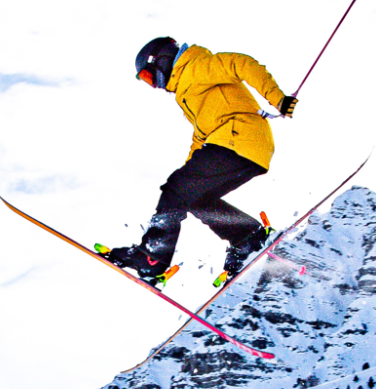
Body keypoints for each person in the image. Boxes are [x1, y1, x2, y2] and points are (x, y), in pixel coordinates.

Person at [99, 36, 298, 285]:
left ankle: (152, 257)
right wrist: (185, 176)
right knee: (193, 198)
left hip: (238, 137)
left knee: (178, 191)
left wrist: (277, 98)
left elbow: (241, 64)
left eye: (151, 77)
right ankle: (247, 238)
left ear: (161, 61)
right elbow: (201, 137)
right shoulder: (186, 91)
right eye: (149, 83)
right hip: (243, 145)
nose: (156, 86)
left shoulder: (195, 66)